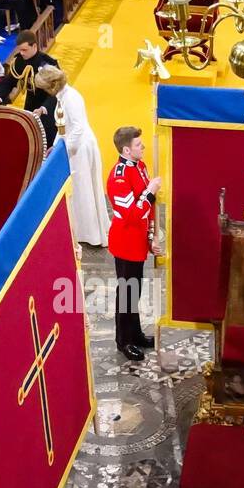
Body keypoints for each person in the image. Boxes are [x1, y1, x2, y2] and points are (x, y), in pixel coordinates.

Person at [34, 67, 110, 247]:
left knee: (84, 189)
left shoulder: (71, 98)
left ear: (52, 86)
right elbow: (62, 127)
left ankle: (92, 234)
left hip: (81, 148)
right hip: (73, 147)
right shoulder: (62, 97)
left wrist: (64, 150)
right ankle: (83, 229)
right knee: (78, 190)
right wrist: (55, 145)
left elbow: (77, 128)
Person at [107, 126, 163, 361]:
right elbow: (132, 214)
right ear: (127, 150)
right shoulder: (118, 176)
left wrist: (151, 239)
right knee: (127, 292)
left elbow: (148, 212)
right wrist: (150, 193)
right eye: (139, 145)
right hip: (125, 242)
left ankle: (136, 333)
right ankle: (124, 340)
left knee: (135, 290)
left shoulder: (140, 166)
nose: (144, 147)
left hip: (138, 240)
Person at [0, 30, 59, 144]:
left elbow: (56, 91)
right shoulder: (19, 61)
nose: (22, 53)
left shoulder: (47, 63)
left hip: (48, 106)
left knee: (48, 140)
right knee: (30, 139)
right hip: (31, 103)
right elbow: (9, 82)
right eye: (20, 50)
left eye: (25, 50)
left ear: (34, 46)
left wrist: (43, 109)